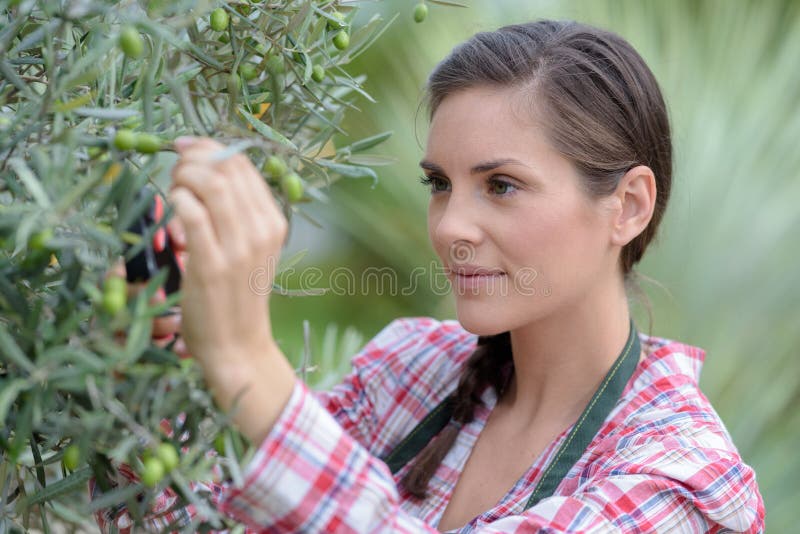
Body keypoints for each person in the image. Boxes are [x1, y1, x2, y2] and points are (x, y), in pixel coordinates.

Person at [94, 19, 765, 533]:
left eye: (500, 185)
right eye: (440, 184)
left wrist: (248, 367)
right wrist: (140, 369)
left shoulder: (684, 479)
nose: (448, 227)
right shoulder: (410, 369)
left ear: (628, 206)